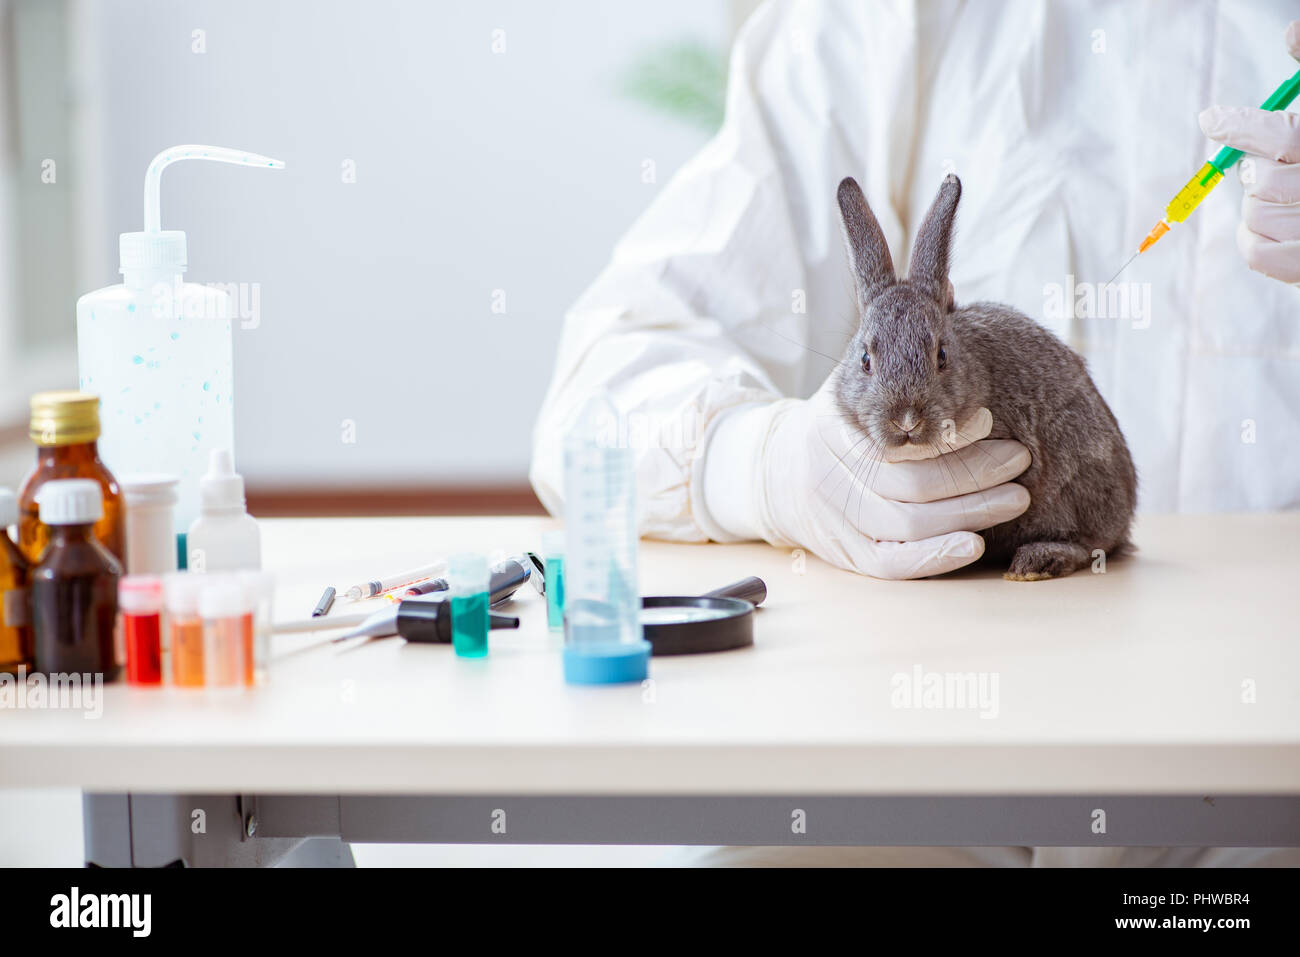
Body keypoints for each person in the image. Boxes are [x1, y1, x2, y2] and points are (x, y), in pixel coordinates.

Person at [530, 1, 1300, 865]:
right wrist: (770, 466)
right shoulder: (881, 21)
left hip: (1271, 790)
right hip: (946, 777)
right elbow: (601, 385)